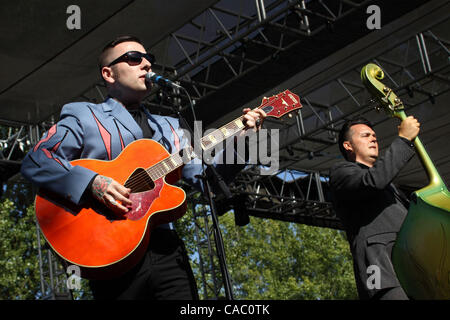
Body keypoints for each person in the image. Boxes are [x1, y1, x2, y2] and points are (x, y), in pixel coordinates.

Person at [20, 35, 266, 299]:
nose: (147, 65)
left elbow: (208, 180)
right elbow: (38, 159)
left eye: (150, 60)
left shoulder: (170, 126)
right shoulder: (83, 115)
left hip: (167, 250)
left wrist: (243, 139)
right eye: (135, 59)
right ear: (108, 73)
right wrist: (93, 183)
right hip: (108, 248)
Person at [329, 116, 420, 300]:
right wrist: (403, 141)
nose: (373, 139)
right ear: (348, 146)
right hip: (380, 273)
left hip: (409, 269)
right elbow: (373, 181)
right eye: (365, 135)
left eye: (374, 136)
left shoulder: (390, 187)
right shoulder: (341, 172)